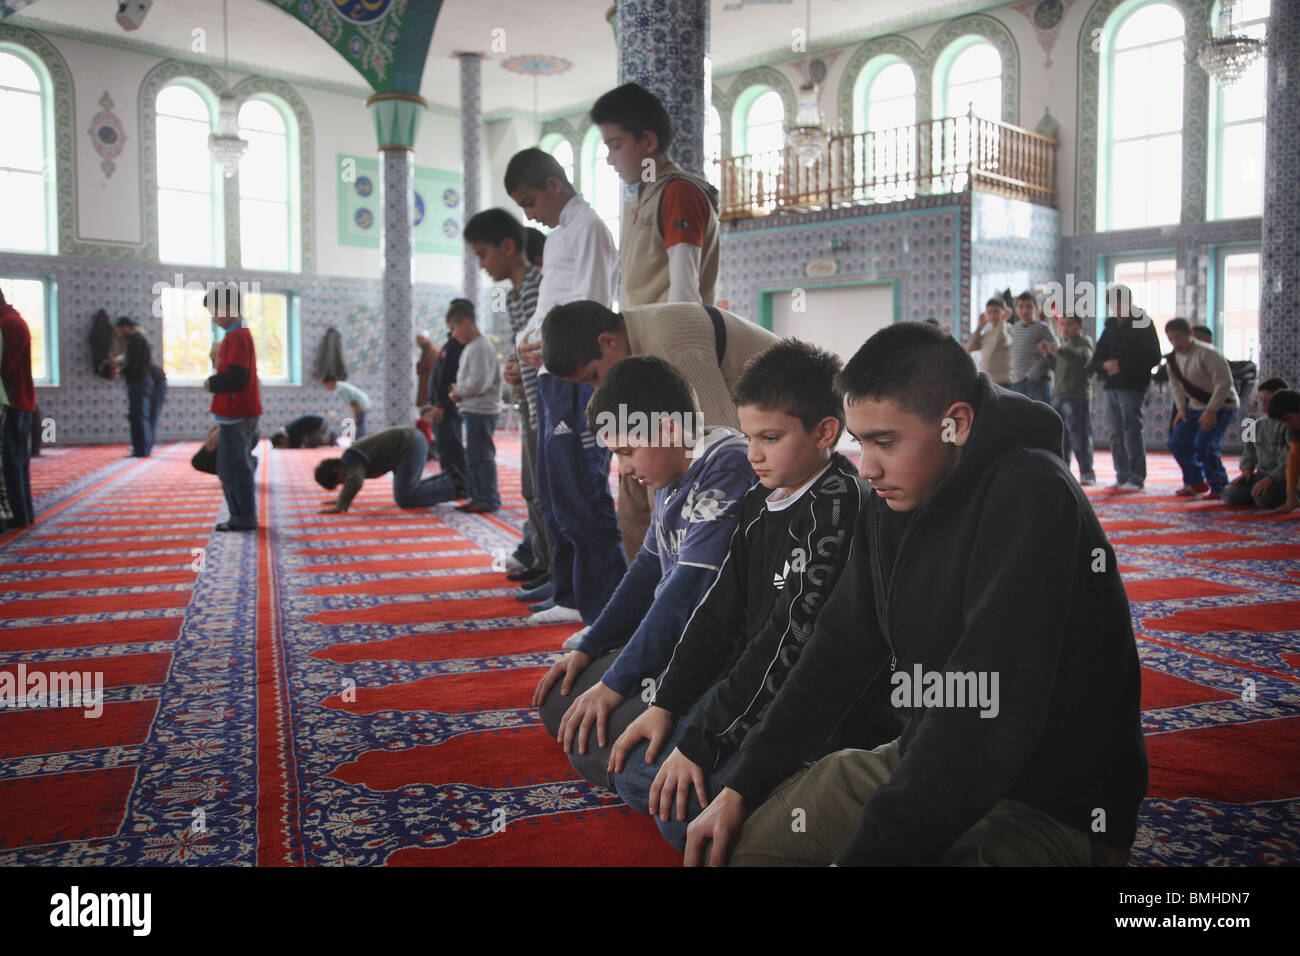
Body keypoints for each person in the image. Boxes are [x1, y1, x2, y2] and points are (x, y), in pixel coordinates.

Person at [684, 321, 1148, 867]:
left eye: (885, 442)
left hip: (1050, 806)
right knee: (744, 847)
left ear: (956, 424)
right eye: (861, 443)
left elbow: (982, 715)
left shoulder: (1032, 496)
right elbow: (835, 653)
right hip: (923, 760)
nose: (868, 467)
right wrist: (743, 784)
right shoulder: (893, 497)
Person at [606, 340, 880, 850]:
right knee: (628, 770)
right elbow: (717, 612)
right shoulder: (761, 497)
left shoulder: (835, 509)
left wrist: (703, 742)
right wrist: (667, 701)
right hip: (750, 684)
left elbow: (787, 643)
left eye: (770, 438)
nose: (752, 453)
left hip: (807, 704)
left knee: (674, 814)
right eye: (749, 435)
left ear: (825, 432)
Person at [532, 356, 754, 788]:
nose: (625, 469)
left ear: (669, 430)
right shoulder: (671, 472)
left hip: (710, 656)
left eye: (626, 452)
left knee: (616, 754)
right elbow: (647, 570)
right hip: (670, 645)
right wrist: (591, 645)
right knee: (562, 702)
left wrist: (615, 682)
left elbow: (688, 590)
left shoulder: (727, 466)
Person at [591, 82, 723, 560]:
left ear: (647, 142)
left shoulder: (680, 192)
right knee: (633, 502)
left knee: (666, 504)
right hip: (638, 364)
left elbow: (684, 297)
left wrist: (669, 391)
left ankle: (675, 618)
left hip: (666, 371)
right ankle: (642, 618)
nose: (609, 158)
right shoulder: (638, 201)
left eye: (615, 144)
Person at [506, 146, 622, 628]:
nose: (531, 215)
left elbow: (591, 307)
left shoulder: (590, 228)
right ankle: (568, 587)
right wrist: (525, 344)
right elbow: (547, 309)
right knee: (556, 491)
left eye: (531, 202)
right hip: (553, 374)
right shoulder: (558, 239)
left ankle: (599, 603)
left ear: (554, 185)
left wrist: (549, 346)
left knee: (581, 486)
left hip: (578, 376)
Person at [540, 300, 780, 433]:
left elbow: (721, 438)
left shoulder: (669, 344)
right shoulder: (630, 342)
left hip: (787, 404)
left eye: (593, 376)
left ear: (607, 342)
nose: (596, 388)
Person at [464, 207, 550, 575]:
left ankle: (553, 569)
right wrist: (515, 367)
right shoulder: (515, 295)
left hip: (547, 404)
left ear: (509, 246)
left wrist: (524, 363)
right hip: (530, 403)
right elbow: (528, 346)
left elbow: (546, 346)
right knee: (532, 488)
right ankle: (542, 559)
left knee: (550, 491)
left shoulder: (536, 286)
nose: (482, 265)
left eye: (484, 254)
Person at [1087, 285, 1162, 492]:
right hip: (1112, 386)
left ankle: (1136, 477)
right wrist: (1105, 365)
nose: (1116, 308)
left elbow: (1153, 355)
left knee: (1131, 430)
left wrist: (1122, 364)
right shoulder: (1111, 326)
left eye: (1120, 304)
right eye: (1113, 304)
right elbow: (1098, 356)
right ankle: (1122, 475)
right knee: (1115, 433)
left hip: (1133, 385)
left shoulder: (1142, 323)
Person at [204, 284, 261, 532]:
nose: (214, 319)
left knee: (233, 468)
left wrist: (211, 383)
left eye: (215, 313)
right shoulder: (235, 336)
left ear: (228, 308)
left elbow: (237, 377)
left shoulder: (237, 337)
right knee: (231, 466)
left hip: (237, 413)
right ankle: (240, 515)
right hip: (236, 412)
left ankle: (243, 517)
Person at [1164, 317, 1239, 498]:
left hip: (1222, 405)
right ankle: (1196, 482)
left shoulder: (1209, 353)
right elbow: (1176, 387)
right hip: (1195, 407)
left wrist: (1211, 410)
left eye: (1179, 337)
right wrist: (1182, 409)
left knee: (1204, 445)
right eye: (1171, 339)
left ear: (1190, 334)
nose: (1176, 343)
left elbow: (1223, 384)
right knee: (1177, 442)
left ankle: (1219, 486)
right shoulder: (1173, 359)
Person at [314, 425, 466, 513]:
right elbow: (352, 481)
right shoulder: (351, 457)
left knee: (405, 498)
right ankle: (451, 479)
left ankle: (457, 485)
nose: (344, 482)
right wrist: (341, 498)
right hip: (407, 447)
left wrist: (341, 505)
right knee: (407, 493)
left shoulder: (350, 457)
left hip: (410, 445)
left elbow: (355, 480)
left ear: (335, 470)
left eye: (340, 482)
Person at [446, 301, 502, 514]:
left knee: (481, 455)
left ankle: (487, 499)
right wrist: (458, 390)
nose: (453, 334)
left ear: (466, 321)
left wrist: (458, 392)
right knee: (475, 456)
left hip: (481, 410)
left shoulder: (481, 346)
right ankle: (479, 496)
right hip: (474, 409)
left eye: (454, 328)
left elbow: (480, 382)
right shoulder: (473, 346)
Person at [1040, 312, 1095, 484]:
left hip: (1076, 396)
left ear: (1080, 326)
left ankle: (1087, 472)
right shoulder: (1064, 347)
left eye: (1070, 324)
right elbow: (1056, 365)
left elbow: (1081, 358)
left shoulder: (1084, 343)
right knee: (1062, 437)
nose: (1065, 328)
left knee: (1080, 436)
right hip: (1060, 396)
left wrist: (1060, 350)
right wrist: (1048, 354)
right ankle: (1064, 470)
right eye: (1063, 324)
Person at [1223, 378, 1290, 510]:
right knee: (1230, 494)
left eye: (1269, 400)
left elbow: (1290, 461)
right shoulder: (1254, 425)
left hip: (1283, 479)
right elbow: (1248, 453)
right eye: (1260, 400)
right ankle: (1255, 493)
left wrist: (1271, 479)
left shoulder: (1289, 426)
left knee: (1264, 499)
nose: (1263, 405)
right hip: (1261, 475)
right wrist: (1247, 470)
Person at [0, 287, 35, 528]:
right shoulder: (12, 320)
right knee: (17, 461)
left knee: (12, 462)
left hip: (13, 402)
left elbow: (5, 365)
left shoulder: (9, 323)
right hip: (19, 401)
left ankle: (19, 515)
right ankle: (24, 514)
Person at [113, 317, 167, 457]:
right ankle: (143, 448)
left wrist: (121, 371)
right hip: (146, 382)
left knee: (139, 416)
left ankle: (141, 449)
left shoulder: (136, 341)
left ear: (125, 328)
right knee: (143, 416)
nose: (117, 335)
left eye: (118, 331)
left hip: (142, 382)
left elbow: (135, 365)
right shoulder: (136, 340)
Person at [1007, 291, 1056, 403]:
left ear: (1036, 308)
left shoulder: (1043, 328)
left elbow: (1052, 353)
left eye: (1029, 306)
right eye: (1021, 306)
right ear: (1016, 309)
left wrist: (1032, 374)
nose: (1024, 310)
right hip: (1017, 382)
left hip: (1037, 382)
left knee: (1040, 416)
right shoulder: (1014, 328)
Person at [1263, 388, 1300, 514]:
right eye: (1284, 422)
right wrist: (1291, 498)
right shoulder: (1296, 428)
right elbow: (1294, 460)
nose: (1288, 425)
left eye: (1288, 419)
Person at [966, 293, 1013, 389]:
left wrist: (1003, 321)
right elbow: (971, 347)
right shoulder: (987, 332)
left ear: (1003, 313)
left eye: (996, 312)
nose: (993, 315)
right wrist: (980, 327)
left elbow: (1000, 339)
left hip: (1004, 382)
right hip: (988, 382)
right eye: (989, 312)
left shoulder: (1009, 329)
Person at [270, 414, 335, 449]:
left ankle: (329, 438)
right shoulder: (288, 430)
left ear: (282, 439)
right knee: (307, 443)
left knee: (309, 442)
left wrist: (290, 447)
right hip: (317, 424)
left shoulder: (291, 431)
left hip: (321, 424)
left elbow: (297, 444)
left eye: (283, 446)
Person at [415, 332, 439, 406]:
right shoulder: (427, 347)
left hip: (428, 379)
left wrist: (417, 366)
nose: (417, 342)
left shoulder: (429, 347)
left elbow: (427, 364)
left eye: (418, 339)